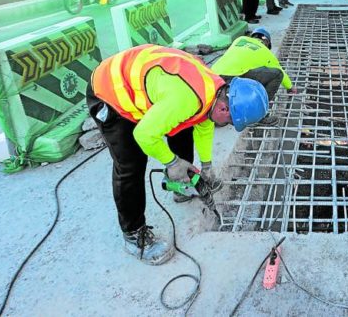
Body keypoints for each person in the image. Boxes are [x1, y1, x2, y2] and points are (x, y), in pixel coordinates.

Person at [87, 44, 269, 265]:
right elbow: (144, 134)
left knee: (183, 129)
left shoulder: (215, 90)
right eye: (231, 122)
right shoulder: (185, 99)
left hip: (145, 82)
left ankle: (180, 185)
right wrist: (172, 162)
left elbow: (204, 124)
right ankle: (134, 235)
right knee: (131, 162)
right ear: (225, 109)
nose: (229, 126)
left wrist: (207, 164)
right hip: (109, 91)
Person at [211, 27, 297, 125]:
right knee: (277, 74)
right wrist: (290, 87)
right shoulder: (265, 51)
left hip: (214, 75)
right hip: (233, 79)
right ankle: (259, 115)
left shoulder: (239, 40)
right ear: (266, 42)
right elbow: (280, 71)